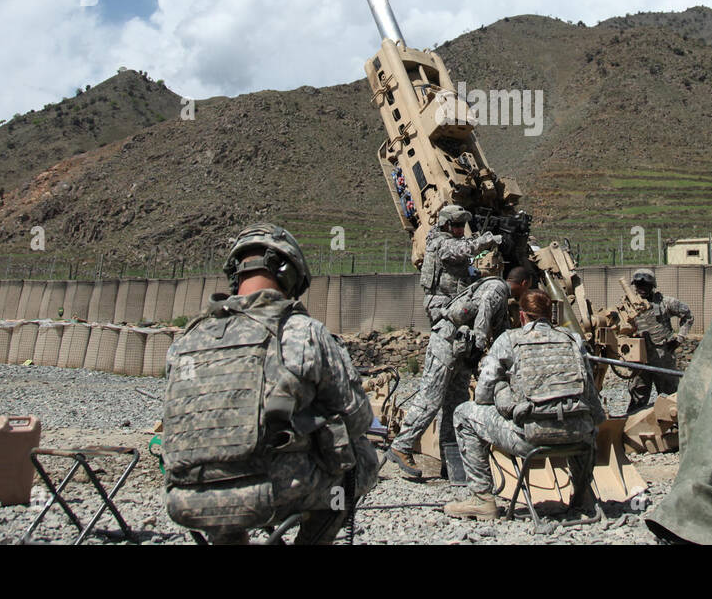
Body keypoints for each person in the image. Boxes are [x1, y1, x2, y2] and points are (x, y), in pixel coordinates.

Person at [161, 222, 378, 544]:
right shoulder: (303, 332)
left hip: (186, 499)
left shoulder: (185, 342)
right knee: (360, 456)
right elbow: (357, 419)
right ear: (287, 271)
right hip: (273, 492)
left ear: (235, 274)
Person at [445, 288, 605, 520]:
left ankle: (481, 499)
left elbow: (482, 395)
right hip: (578, 437)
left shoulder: (510, 340)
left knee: (463, 413)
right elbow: (591, 396)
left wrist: (503, 395)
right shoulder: (574, 340)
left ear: (522, 316)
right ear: (552, 316)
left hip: (530, 438)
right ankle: (583, 496)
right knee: (580, 416)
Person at [386, 235, 527, 482]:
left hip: (462, 348)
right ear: (524, 283)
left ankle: (452, 461)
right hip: (448, 343)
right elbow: (484, 315)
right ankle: (402, 445)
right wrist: (481, 346)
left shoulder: (497, 291)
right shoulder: (496, 289)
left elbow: (503, 332)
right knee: (431, 398)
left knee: (456, 405)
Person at [624, 269, 693, 413]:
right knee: (638, 399)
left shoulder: (665, 302)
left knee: (670, 399)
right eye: (638, 285)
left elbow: (687, 316)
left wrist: (679, 338)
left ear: (652, 286)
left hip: (663, 358)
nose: (641, 289)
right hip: (640, 360)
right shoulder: (628, 305)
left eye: (645, 285)